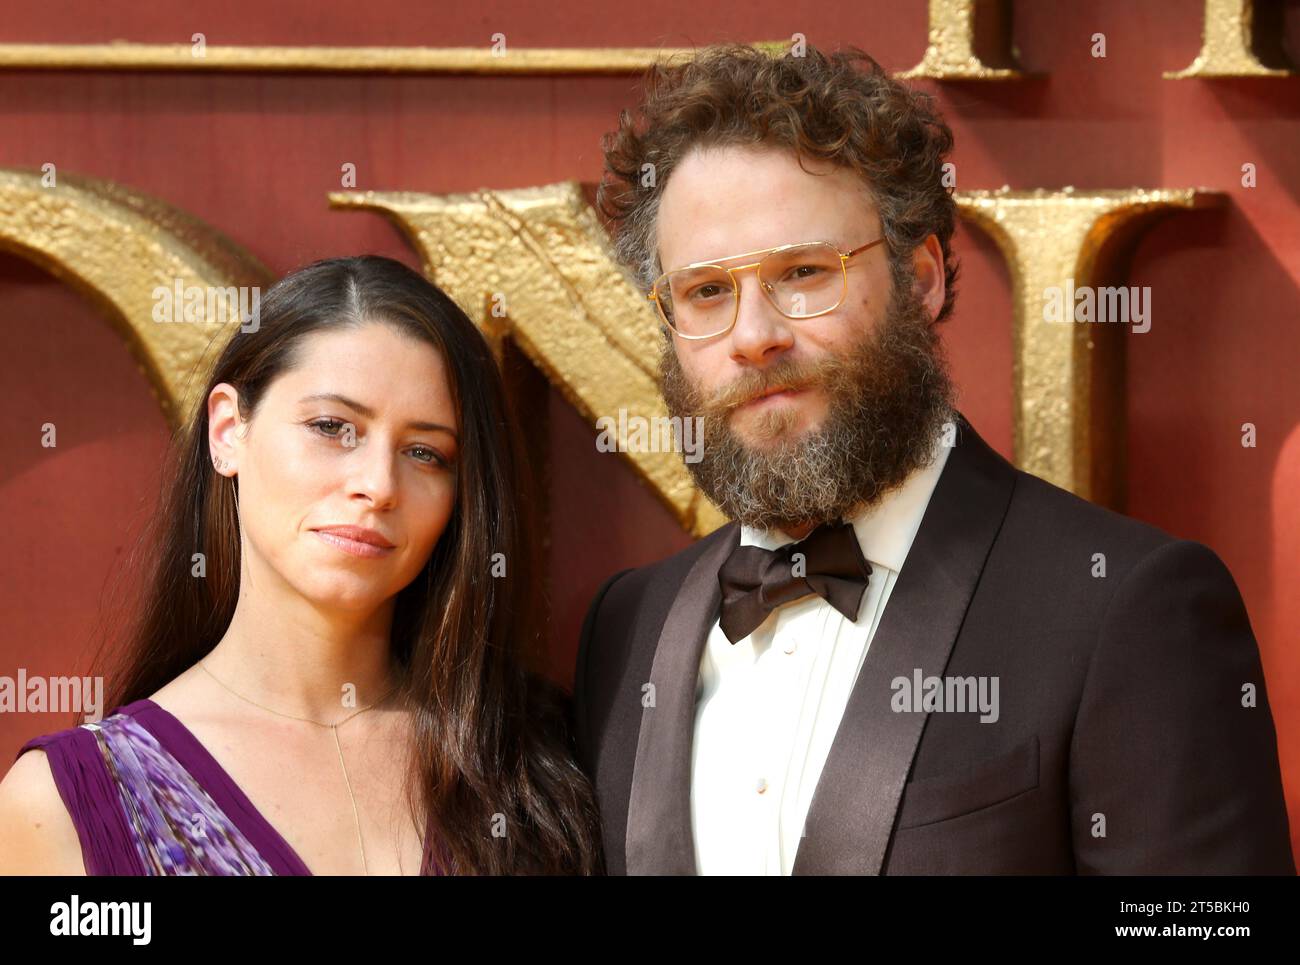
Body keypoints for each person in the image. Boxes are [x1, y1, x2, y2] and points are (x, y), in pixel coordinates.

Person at [573, 43, 1294, 874]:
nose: (753, 336)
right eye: (706, 291)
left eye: (805, 273)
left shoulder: (1128, 611)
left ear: (921, 280)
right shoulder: (625, 629)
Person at [0, 255, 602, 875]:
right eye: (331, 427)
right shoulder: (62, 805)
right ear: (229, 430)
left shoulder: (537, 765)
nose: (377, 485)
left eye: (425, 452)